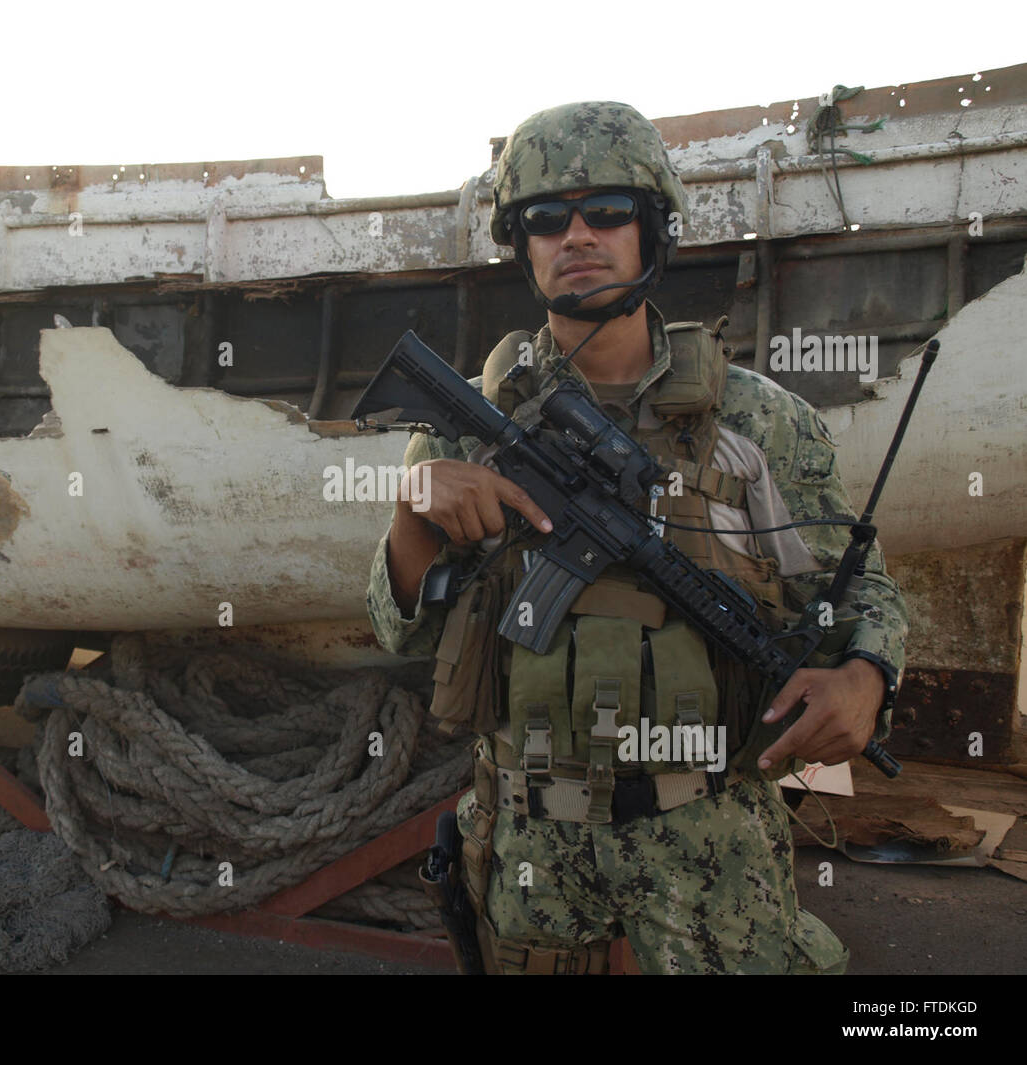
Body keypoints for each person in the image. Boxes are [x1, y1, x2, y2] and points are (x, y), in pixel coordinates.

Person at [364, 101, 908, 975]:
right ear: (524, 245)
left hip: (714, 833)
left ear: (654, 228)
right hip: (529, 836)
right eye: (547, 218)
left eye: (608, 211)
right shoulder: (465, 426)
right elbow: (402, 632)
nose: (577, 235)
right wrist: (409, 510)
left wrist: (864, 675)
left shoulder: (762, 422)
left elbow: (862, 596)